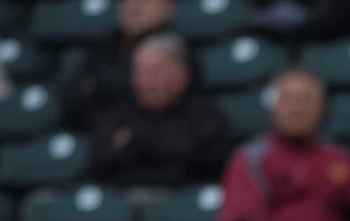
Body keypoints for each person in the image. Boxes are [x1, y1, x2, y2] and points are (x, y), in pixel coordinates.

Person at [219, 68, 350, 221]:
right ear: (273, 107)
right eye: (288, 100)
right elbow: (245, 219)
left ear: (323, 107)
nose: (297, 109)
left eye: (306, 100)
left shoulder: (337, 157)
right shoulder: (251, 157)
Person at [87, 32, 230, 191]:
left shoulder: (205, 116)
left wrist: (134, 140)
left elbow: (205, 163)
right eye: (138, 72)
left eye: (154, 72)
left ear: (182, 75)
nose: (144, 81)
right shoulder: (118, 115)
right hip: (124, 204)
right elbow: (102, 162)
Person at [60, 0, 176, 132]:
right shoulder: (103, 47)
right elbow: (72, 105)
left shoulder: (177, 53)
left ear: (169, 6)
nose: (133, 6)